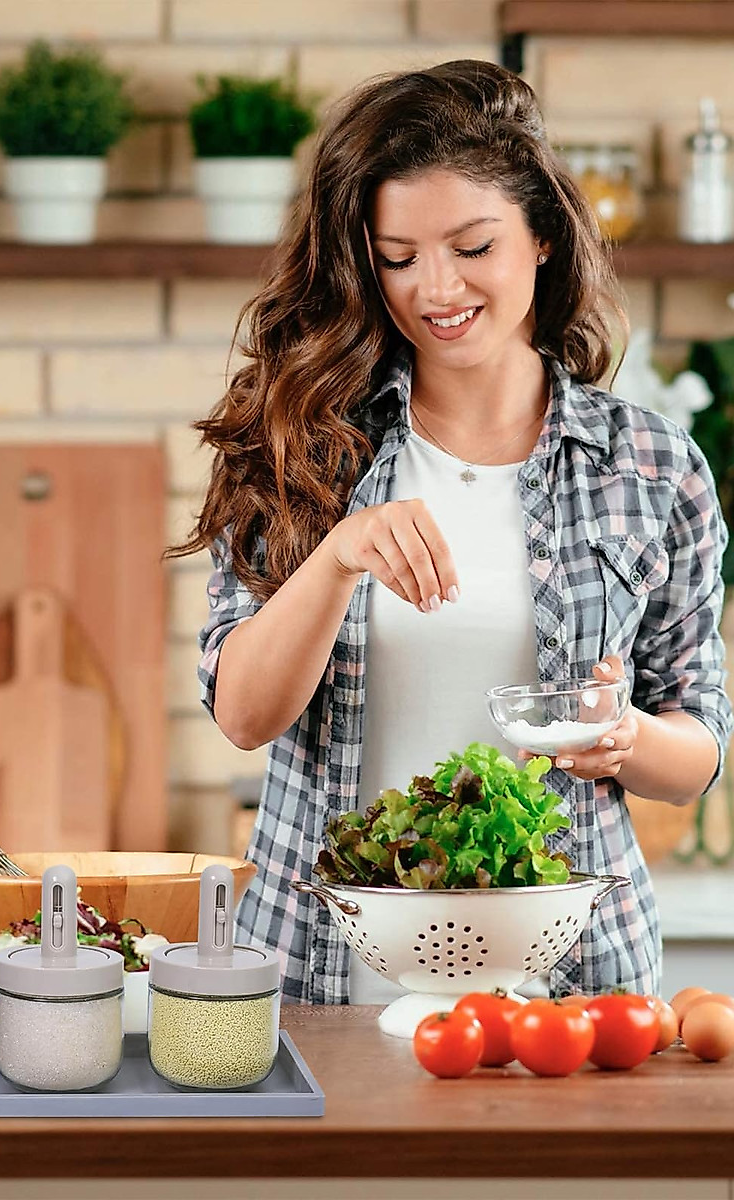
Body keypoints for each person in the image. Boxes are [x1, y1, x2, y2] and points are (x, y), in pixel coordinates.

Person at [168, 59, 733, 1005]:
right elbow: (243, 716)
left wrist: (624, 735)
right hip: (323, 974)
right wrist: (342, 554)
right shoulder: (303, 441)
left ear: (544, 237)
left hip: (570, 988)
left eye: (473, 246)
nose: (437, 288)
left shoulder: (651, 464)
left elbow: (701, 747)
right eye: (399, 257)